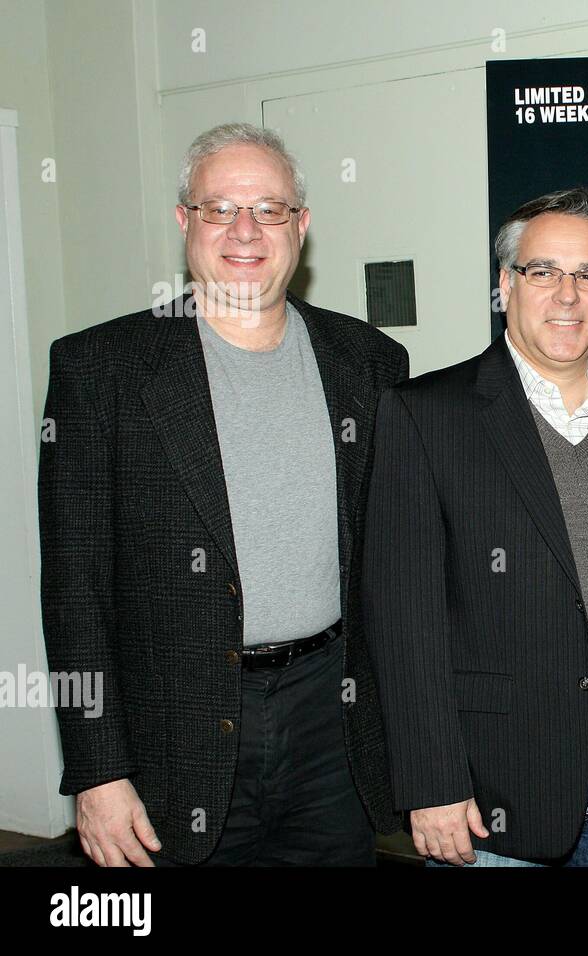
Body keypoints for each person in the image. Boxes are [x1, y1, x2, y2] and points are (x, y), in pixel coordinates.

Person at [38, 123, 409, 865]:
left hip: (330, 716)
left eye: (271, 209)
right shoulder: (101, 369)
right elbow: (74, 589)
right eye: (219, 210)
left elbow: (399, 558)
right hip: (173, 730)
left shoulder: (370, 362)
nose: (246, 231)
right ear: (186, 221)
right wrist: (98, 771)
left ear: (300, 226)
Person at [362, 186, 588, 867]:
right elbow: (402, 621)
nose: (567, 294)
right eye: (542, 271)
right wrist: (432, 783)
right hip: (493, 794)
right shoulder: (426, 415)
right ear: (505, 284)